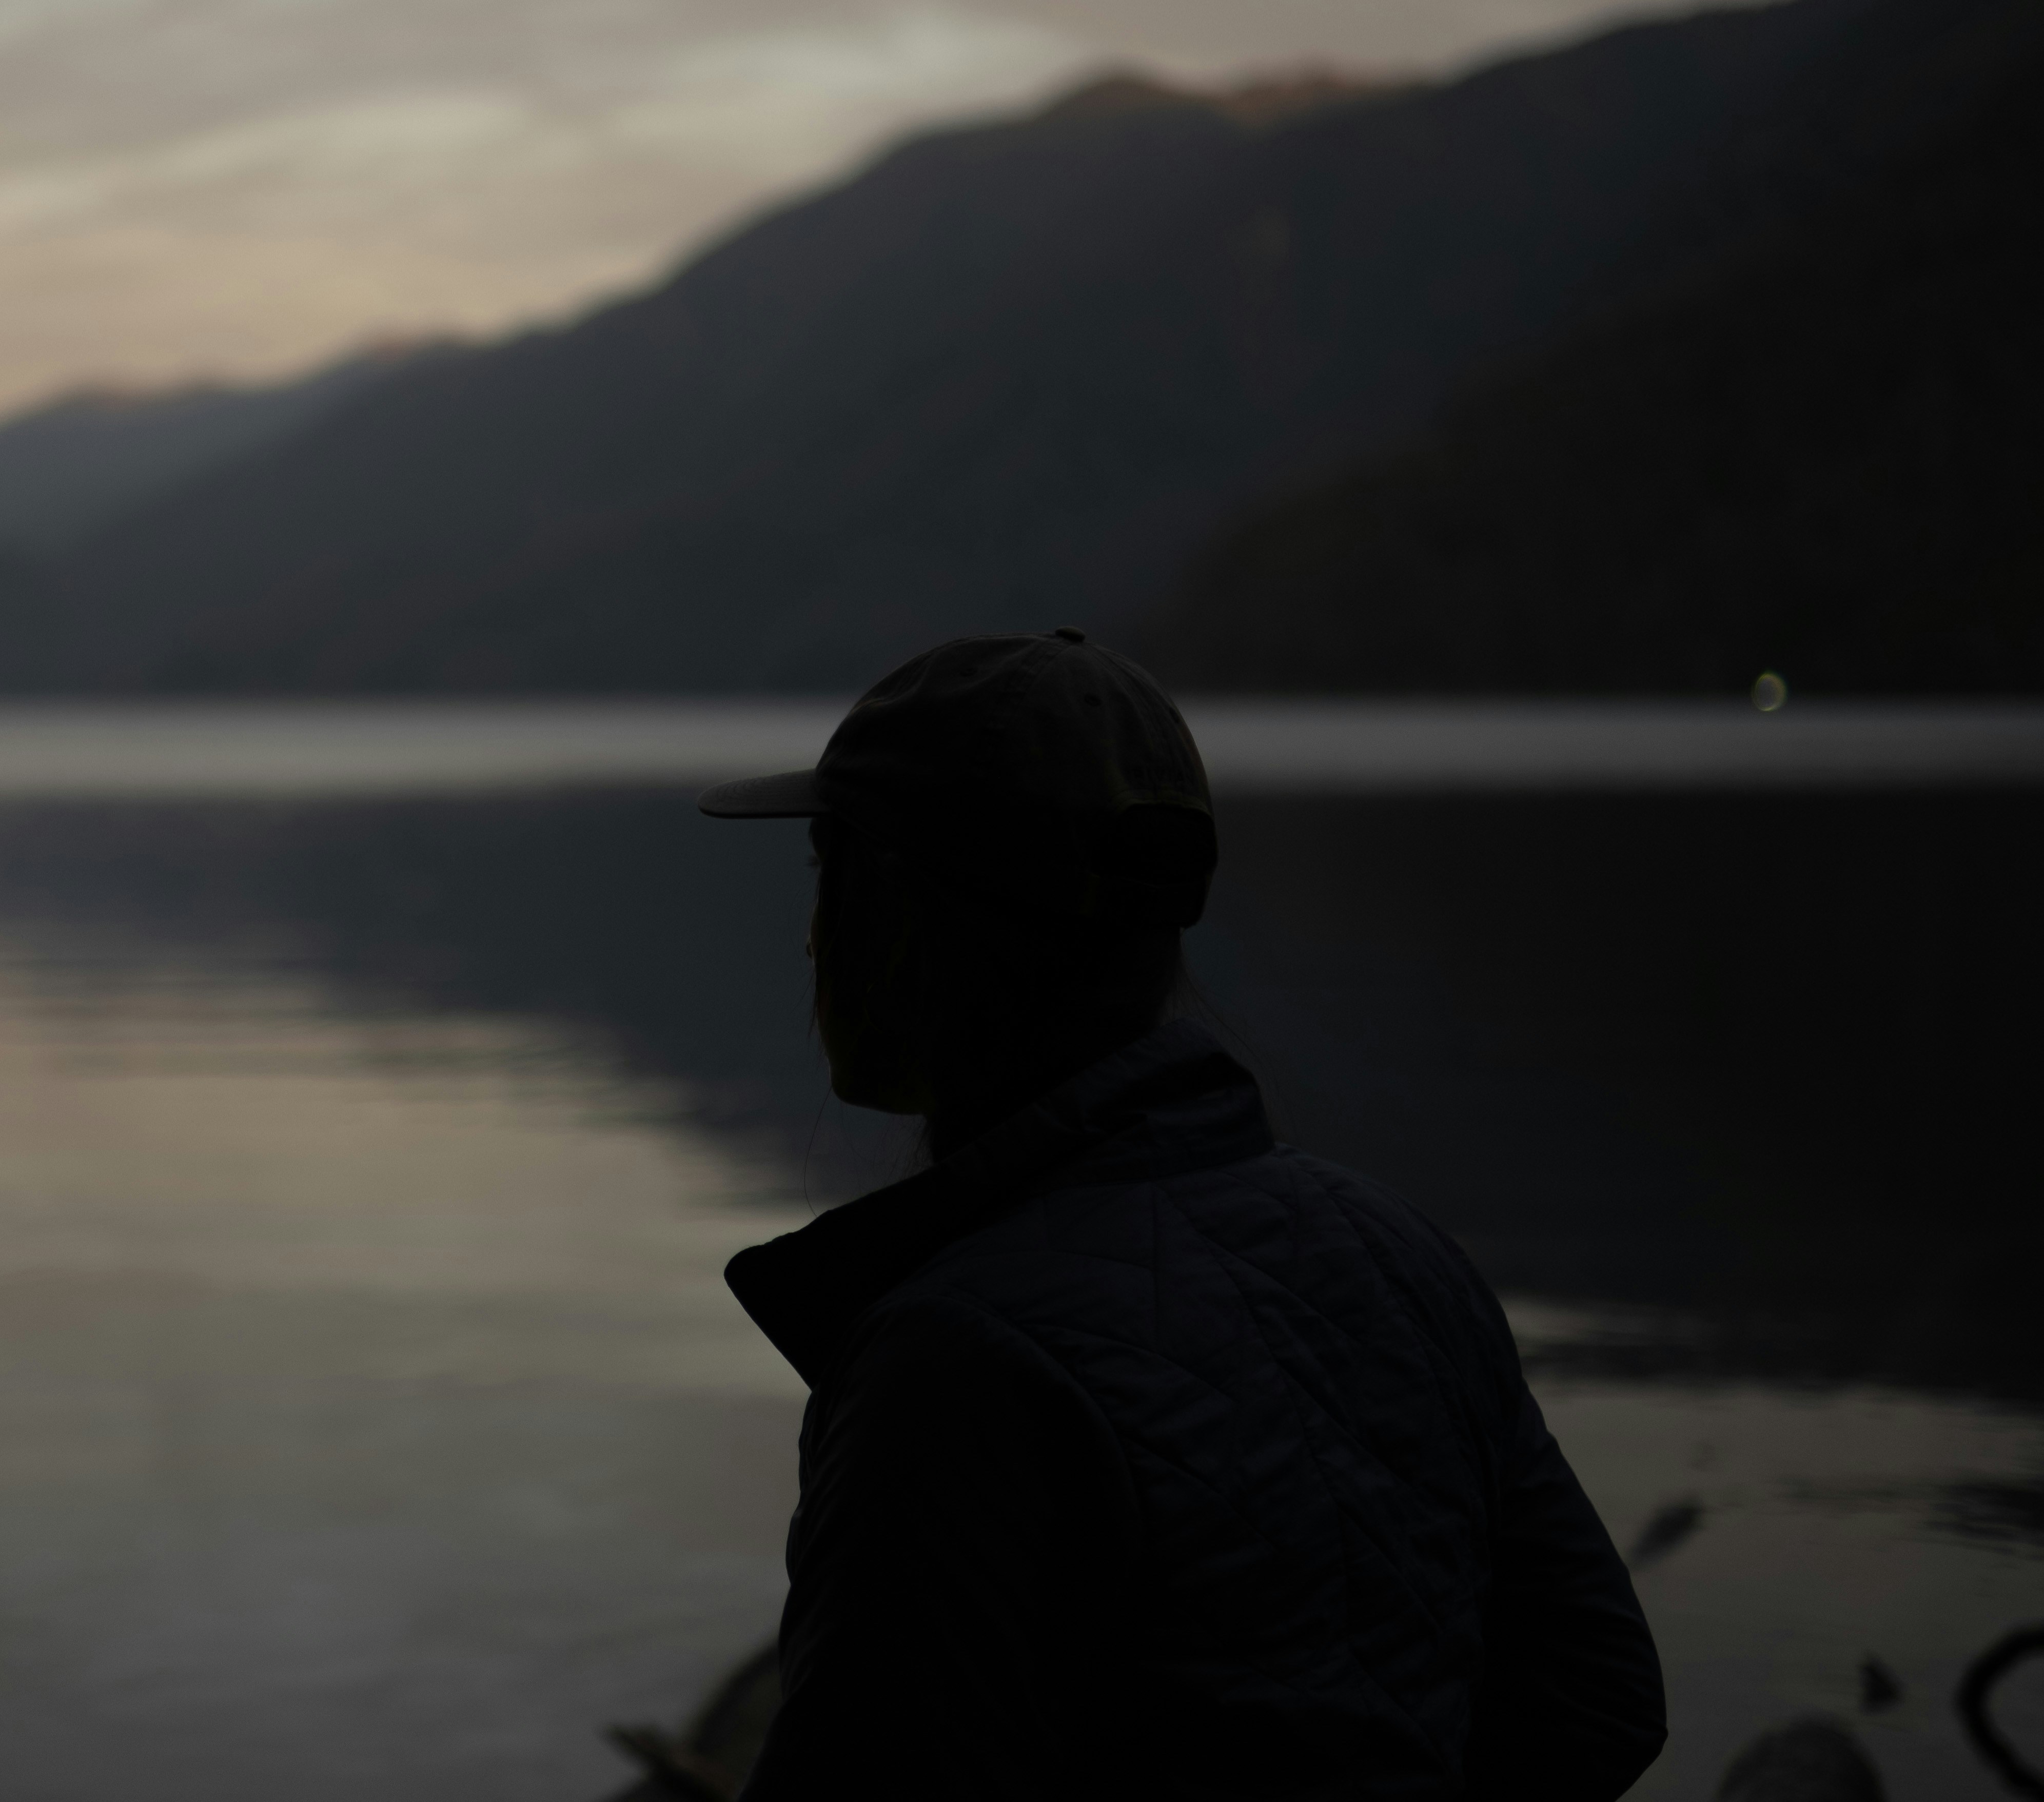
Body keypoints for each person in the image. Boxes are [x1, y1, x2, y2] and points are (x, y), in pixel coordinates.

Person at [695, 633, 1665, 1800]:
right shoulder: (1402, 1254)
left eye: (824, 868)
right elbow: (1600, 1698)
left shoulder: (949, 1369)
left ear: (899, 913)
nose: (811, 935)